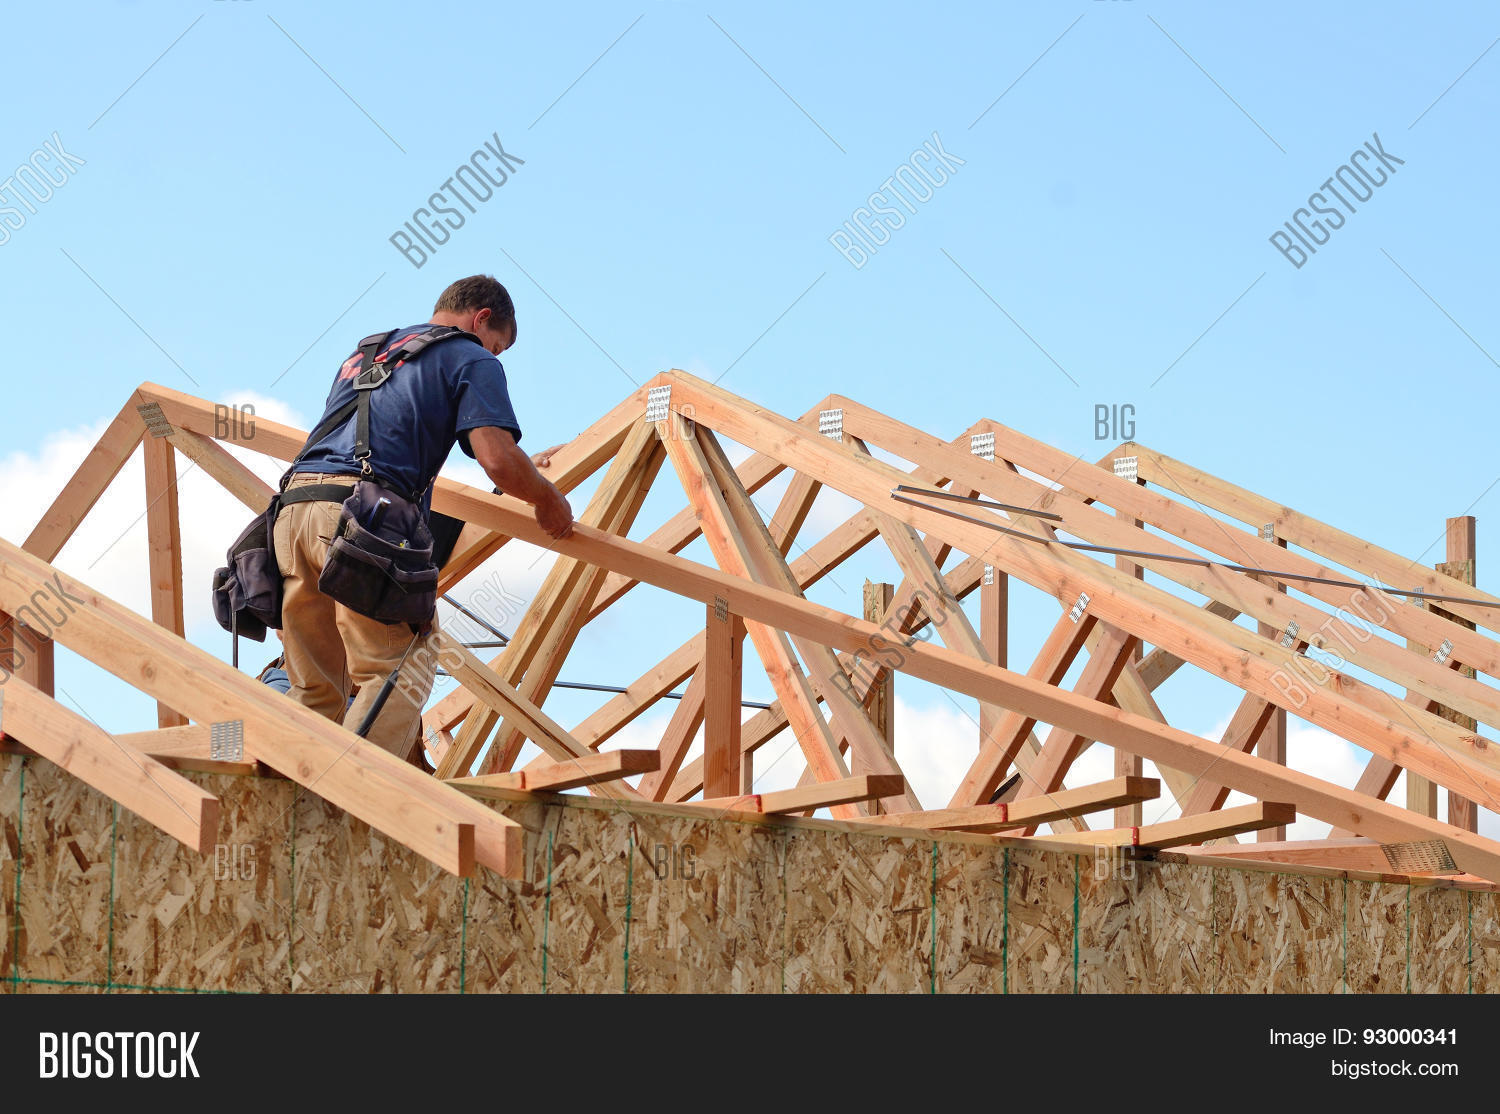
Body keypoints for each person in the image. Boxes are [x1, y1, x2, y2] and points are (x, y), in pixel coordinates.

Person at [272, 274, 573, 762]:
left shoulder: (368, 353)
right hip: (362, 516)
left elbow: (382, 442)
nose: (494, 355)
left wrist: (513, 481)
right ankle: (350, 790)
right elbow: (497, 457)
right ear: (481, 319)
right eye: (497, 345)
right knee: (397, 668)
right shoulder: (470, 357)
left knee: (317, 685)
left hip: (294, 511)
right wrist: (545, 498)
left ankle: (296, 788)